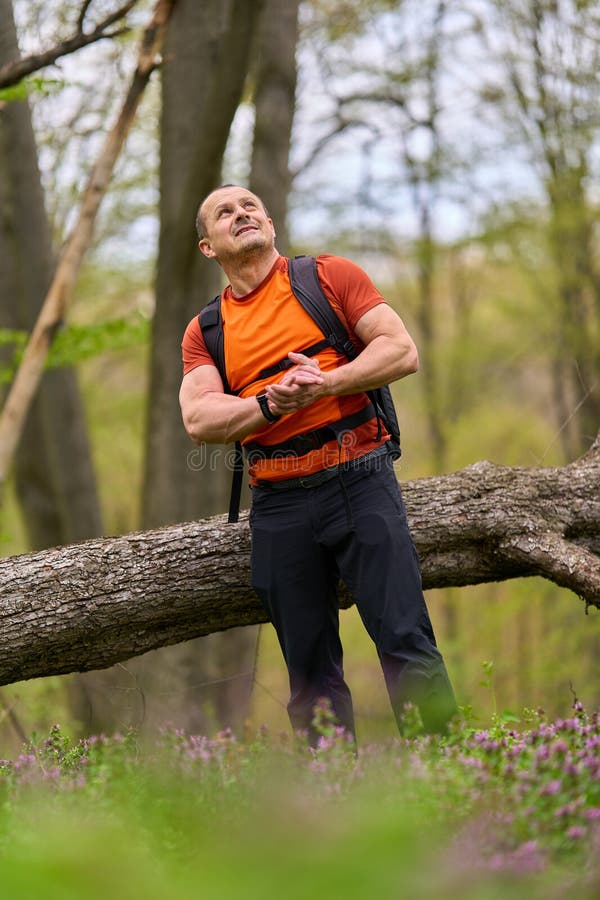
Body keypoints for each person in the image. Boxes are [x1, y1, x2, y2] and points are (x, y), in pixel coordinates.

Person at [180, 184, 457, 745]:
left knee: (405, 638)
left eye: (250, 206)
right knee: (309, 670)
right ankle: (333, 789)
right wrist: (269, 404)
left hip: (360, 478)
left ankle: (449, 771)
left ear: (270, 224)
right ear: (208, 247)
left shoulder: (328, 278)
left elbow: (400, 350)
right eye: (224, 213)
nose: (241, 214)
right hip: (279, 504)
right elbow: (199, 417)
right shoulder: (206, 330)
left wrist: (324, 383)